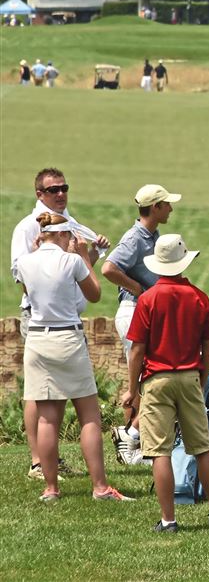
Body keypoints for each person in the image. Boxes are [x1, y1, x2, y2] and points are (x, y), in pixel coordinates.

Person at [16, 212, 133, 503]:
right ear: (62, 234)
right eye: (69, 235)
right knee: (89, 414)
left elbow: (29, 291)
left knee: (47, 417)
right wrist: (83, 256)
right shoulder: (70, 261)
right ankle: (100, 486)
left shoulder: (24, 262)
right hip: (67, 336)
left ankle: (51, 488)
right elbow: (93, 293)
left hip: (38, 340)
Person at [121, 234, 209, 532]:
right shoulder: (199, 296)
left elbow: (137, 350)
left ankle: (169, 520)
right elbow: (208, 345)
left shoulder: (148, 299)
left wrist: (132, 389)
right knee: (202, 447)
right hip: (190, 376)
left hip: (157, 379)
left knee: (159, 451)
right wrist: (202, 377)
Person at [11, 168, 109, 481]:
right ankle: (39, 461)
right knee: (40, 396)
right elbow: (24, 276)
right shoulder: (27, 227)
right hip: (43, 317)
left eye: (64, 187)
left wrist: (89, 253)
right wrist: (75, 259)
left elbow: (74, 273)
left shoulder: (69, 222)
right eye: (53, 190)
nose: (60, 194)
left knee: (47, 402)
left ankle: (49, 472)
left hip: (61, 317)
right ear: (39, 194)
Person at [102, 184, 181, 466]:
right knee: (143, 377)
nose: (171, 208)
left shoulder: (151, 234)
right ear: (156, 207)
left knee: (144, 377)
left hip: (143, 311)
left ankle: (135, 442)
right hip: (134, 311)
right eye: (167, 204)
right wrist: (138, 289)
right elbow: (109, 268)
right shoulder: (135, 238)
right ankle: (129, 441)